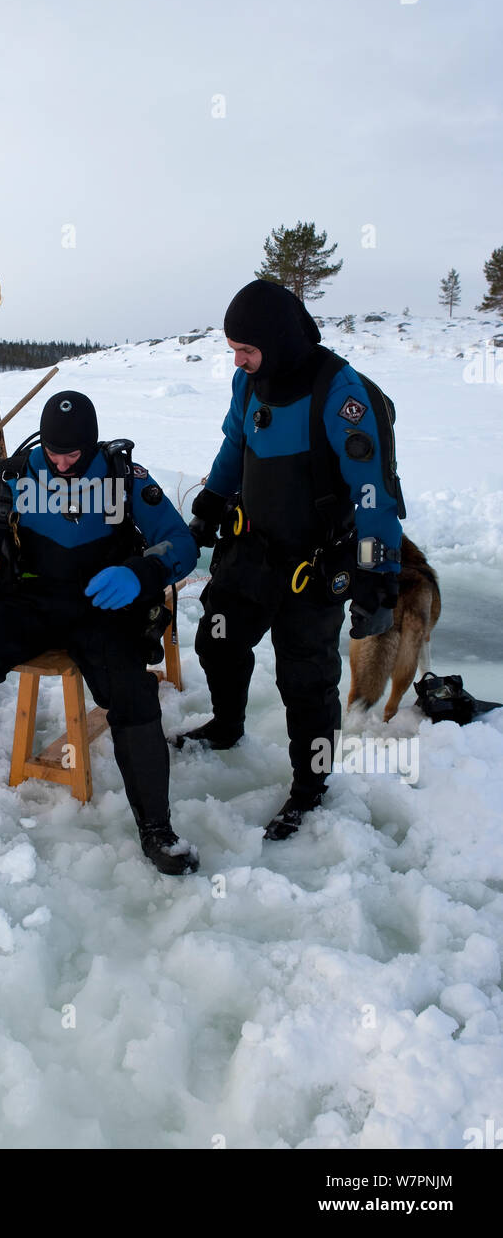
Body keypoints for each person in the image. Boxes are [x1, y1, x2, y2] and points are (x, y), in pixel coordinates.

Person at [0, 390, 201, 875]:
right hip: (26, 601)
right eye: (52, 452)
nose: (60, 461)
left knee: (132, 692)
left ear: (92, 445)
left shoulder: (124, 477)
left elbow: (180, 542)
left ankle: (158, 831)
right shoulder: (15, 475)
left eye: (72, 454)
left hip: (101, 604)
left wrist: (141, 573)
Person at [180, 279, 403, 839]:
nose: (238, 360)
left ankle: (310, 785)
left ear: (276, 340)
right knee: (218, 638)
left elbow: (373, 493)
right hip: (251, 550)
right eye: (233, 350)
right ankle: (229, 724)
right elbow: (237, 442)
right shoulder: (248, 384)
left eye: (245, 349)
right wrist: (211, 500)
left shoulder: (338, 393)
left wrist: (380, 575)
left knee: (307, 681)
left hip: (316, 563)